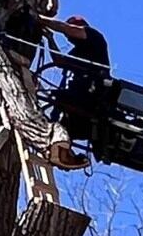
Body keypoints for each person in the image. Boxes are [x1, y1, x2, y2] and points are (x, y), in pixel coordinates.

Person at [42, 13, 111, 167]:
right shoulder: (78, 51)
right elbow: (60, 62)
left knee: (61, 104)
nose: (69, 38)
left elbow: (64, 28)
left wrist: (39, 18)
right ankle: (62, 152)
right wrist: (50, 39)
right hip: (78, 97)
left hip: (93, 95)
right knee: (60, 112)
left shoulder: (95, 38)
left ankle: (63, 151)